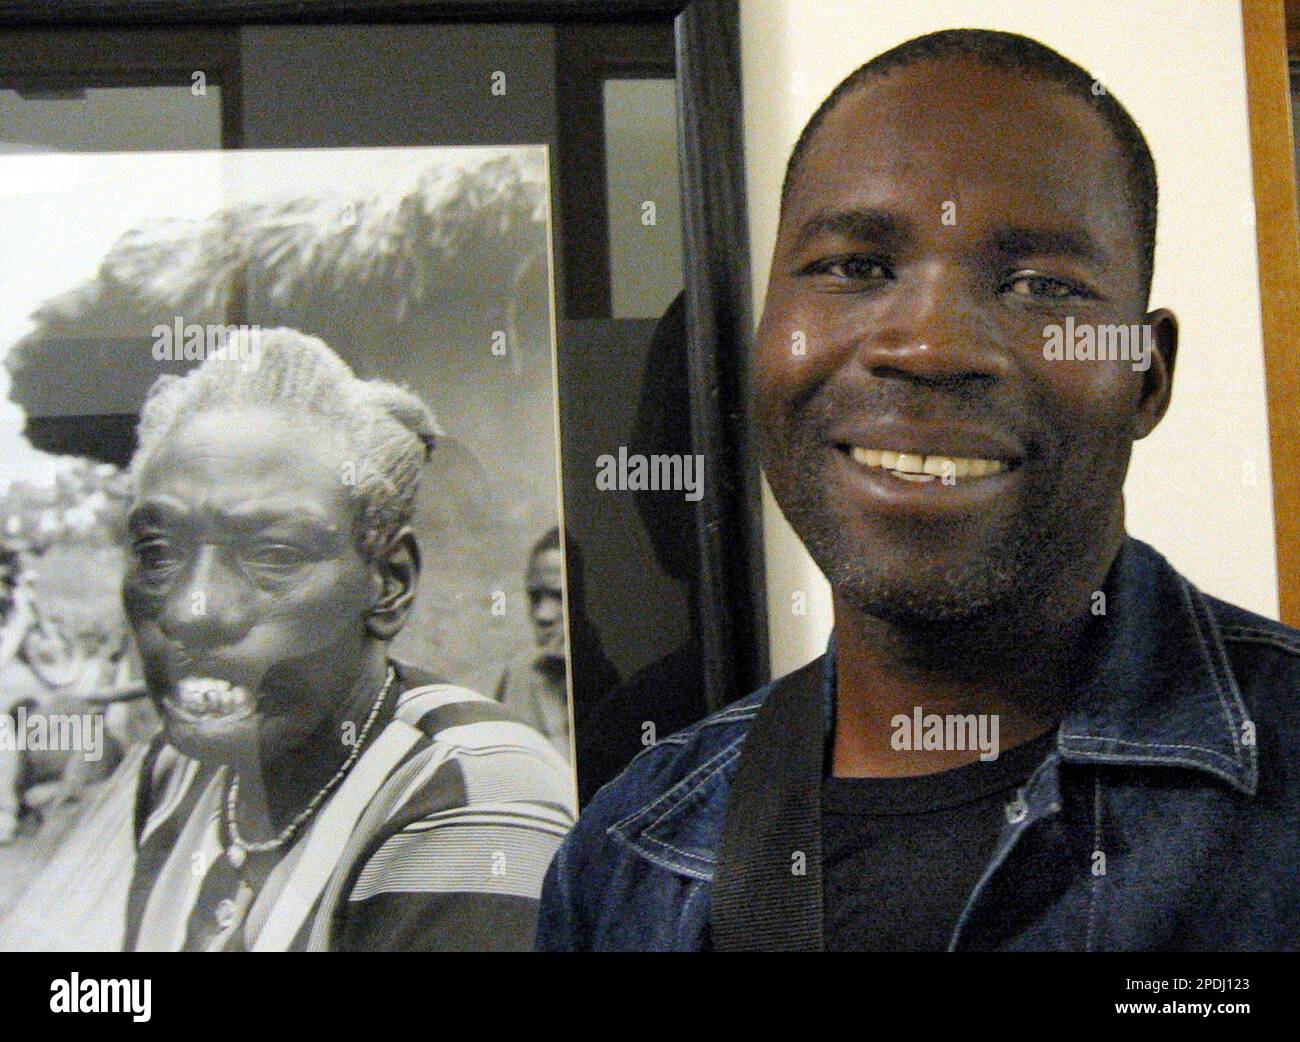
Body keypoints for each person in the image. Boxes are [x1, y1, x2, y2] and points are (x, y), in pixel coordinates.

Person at [536, 28, 1300, 951]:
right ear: (759, 336)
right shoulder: (623, 867)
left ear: (1147, 376)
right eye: (855, 268)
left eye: (1039, 283)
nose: (930, 347)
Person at [118, 328, 573, 951]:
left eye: (273, 553)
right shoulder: (177, 775)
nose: (193, 610)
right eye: (157, 550)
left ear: (388, 585)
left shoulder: (472, 792)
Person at [495, 528, 571, 759]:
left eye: (559, 596)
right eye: (535, 598)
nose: (542, 615)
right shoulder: (518, 679)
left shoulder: (621, 683)